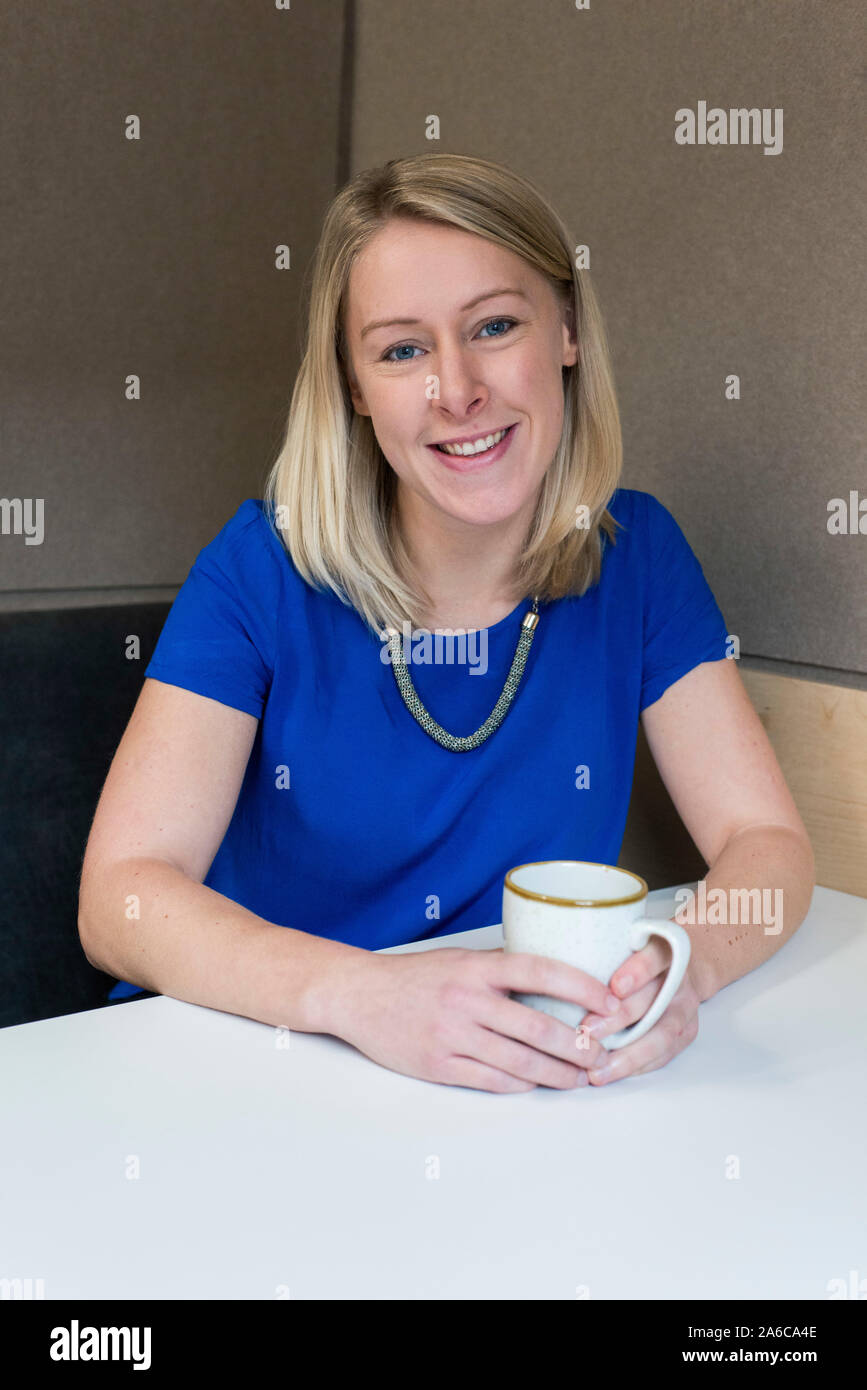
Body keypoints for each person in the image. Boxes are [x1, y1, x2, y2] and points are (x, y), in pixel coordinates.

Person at [78, 153, 815, 1093]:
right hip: (243, 1067)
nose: (455, 389)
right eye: (401, 350)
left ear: (567, 333)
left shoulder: (638, 556)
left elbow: (766, 844)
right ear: (353, 386)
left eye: (494, 326)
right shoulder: (261, 566)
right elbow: (119, 899)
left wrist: (685, 967)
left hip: (492, 1085)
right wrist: (364, 996)